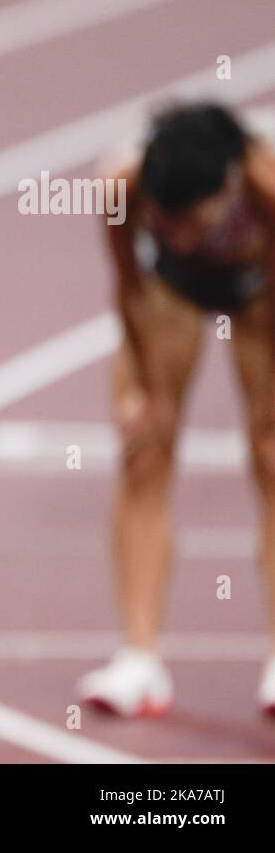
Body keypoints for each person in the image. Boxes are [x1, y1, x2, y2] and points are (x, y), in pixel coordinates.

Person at [79, 103, 275, 718]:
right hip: (171, 291)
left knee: (273, 453)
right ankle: (140, 661)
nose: (184, 234)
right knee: (143, 451)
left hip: (263, 287)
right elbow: (126, 282)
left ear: (230, 187)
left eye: (194, 223)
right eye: (171, 222)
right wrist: (142, 389)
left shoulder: (267, 181)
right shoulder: (120, 183)